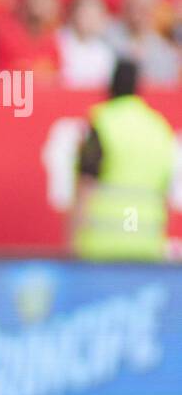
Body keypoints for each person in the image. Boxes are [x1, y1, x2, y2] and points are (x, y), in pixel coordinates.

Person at [70, 60, 176, 261]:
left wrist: (73, 243)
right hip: (147, 245)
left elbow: (86, 184)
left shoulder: (103, 122)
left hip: (103, 247)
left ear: (110, 86)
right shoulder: (159, 127)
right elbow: (166, 191)